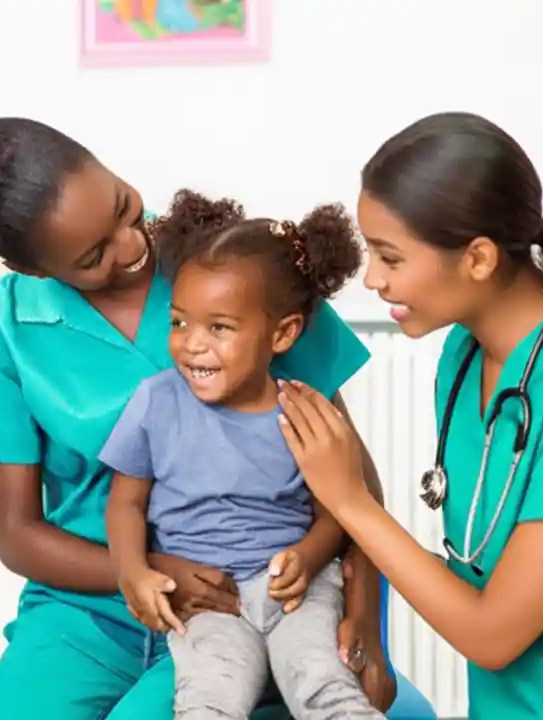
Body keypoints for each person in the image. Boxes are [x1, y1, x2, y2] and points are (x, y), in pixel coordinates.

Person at [0, 91, 434, 718]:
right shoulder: (0, 327)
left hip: (243, 596)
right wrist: (144, 569)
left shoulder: (232, 266)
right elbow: (18, 535)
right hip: (84, 613)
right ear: (29, 269)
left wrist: (365, 622)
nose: (130, 246)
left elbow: (350, 482)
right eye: (93, 256)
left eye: (123, 206)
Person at [276, 111, 543, 719]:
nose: (372, 279)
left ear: (478, 258)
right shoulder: (462, 356)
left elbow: (493, 633)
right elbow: (480, 573)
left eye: (391, 258)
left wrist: (351, 502)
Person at [100, 189, 384, 720]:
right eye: (179, 321)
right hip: (210, 605)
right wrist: (132, 571)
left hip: (295, 592)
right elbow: (125, 505)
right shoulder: (155, 402)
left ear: (282, 334)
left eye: (220, 328)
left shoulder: (302, 409)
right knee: (208, 699)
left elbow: (338, 514)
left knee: (322, 685)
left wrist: (310, 556)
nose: (192, 344)